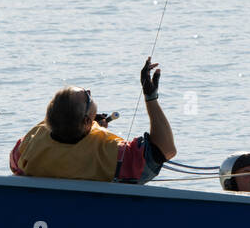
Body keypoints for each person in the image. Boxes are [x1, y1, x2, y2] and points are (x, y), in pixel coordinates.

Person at [9, 58, 177, 183]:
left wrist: (92, 128)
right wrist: (151, 97)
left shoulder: (29, 144)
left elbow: (15, 163)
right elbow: (165, 150)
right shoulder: (110, 154)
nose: (89, 90)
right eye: (87, 96)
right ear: (86, 120)